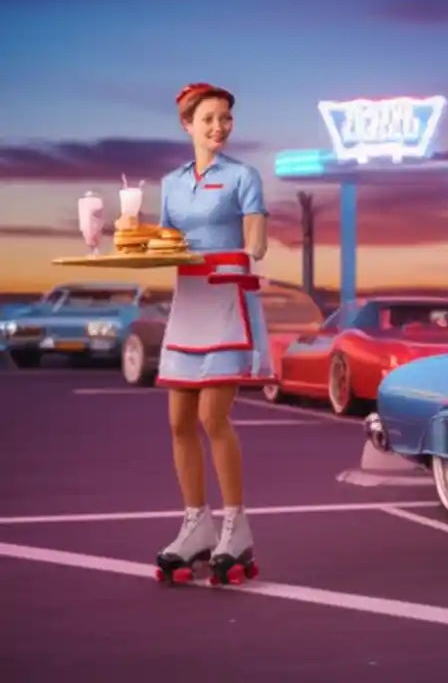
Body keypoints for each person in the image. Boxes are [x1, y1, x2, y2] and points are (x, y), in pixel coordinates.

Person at [153, 82, 273, 586]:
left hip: (226, 300)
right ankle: (195, 523)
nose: (219, 126)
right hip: (188, 304)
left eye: (225, 118)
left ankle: (235, 525)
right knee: (179, 420)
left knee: (212, 417)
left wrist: (211, 254)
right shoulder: (170, 184)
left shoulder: (244, 176)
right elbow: (164, 242)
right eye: (209, 119)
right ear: (187, 124)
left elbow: (257, 246)